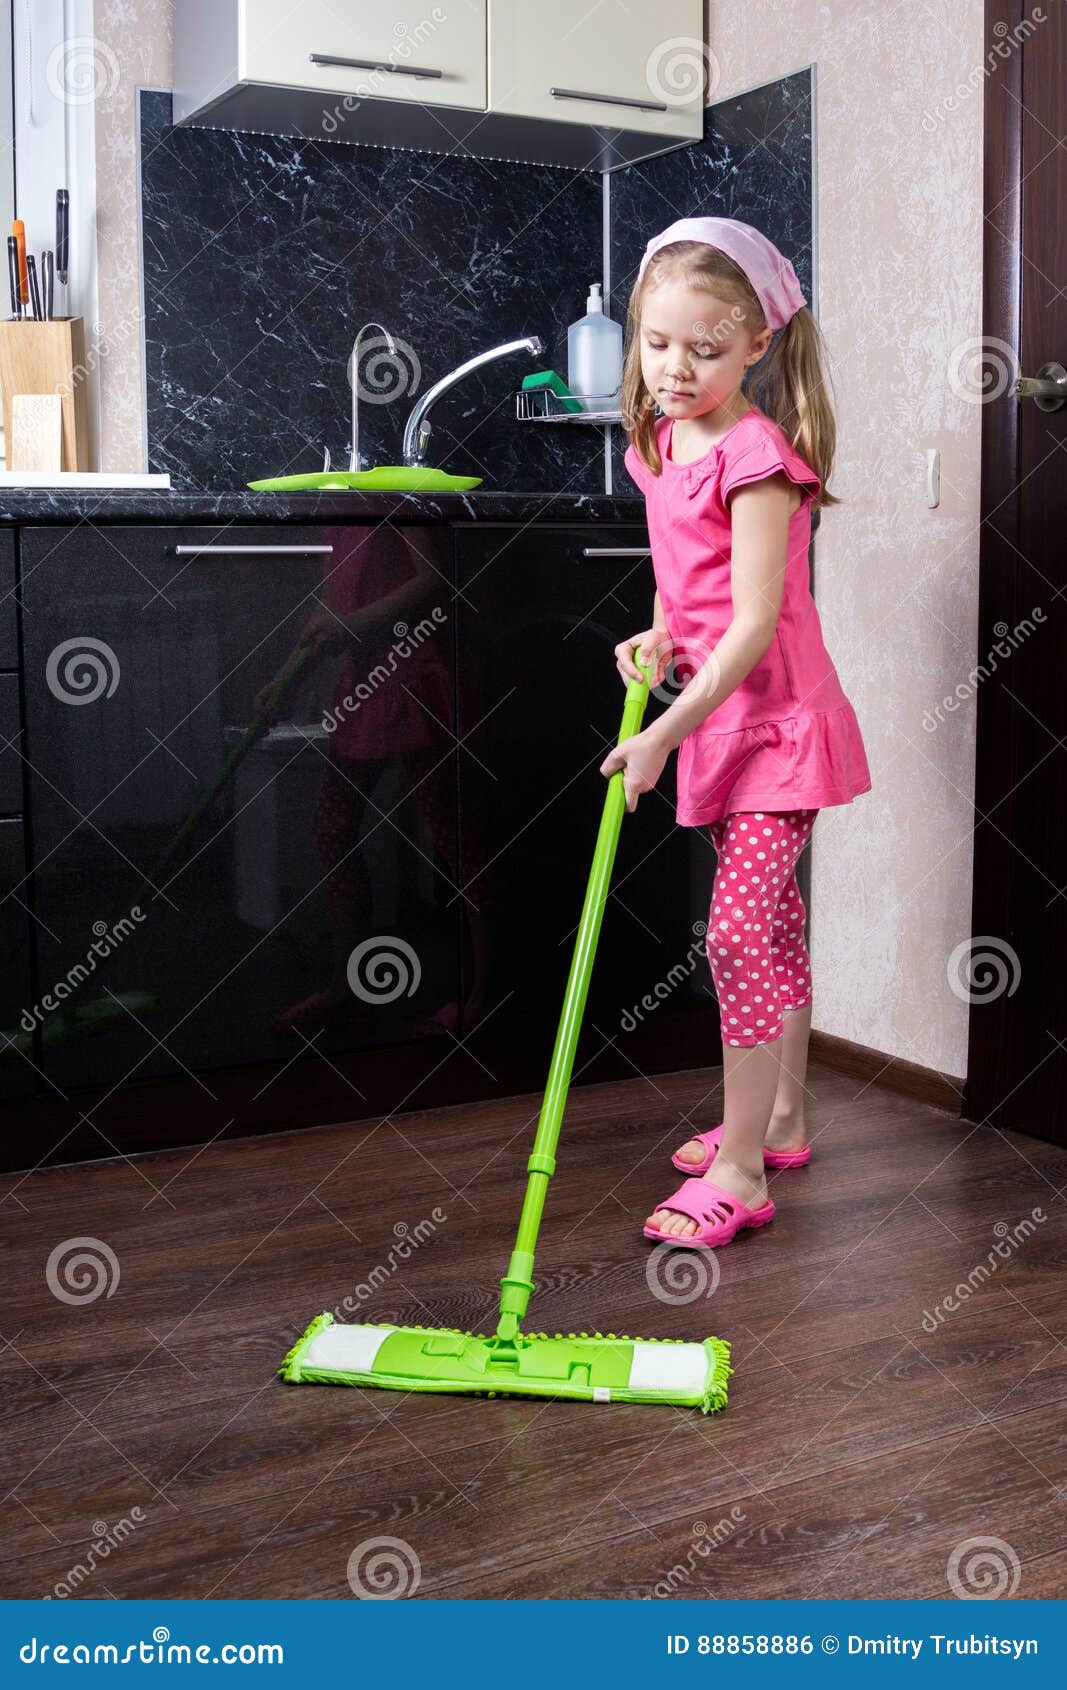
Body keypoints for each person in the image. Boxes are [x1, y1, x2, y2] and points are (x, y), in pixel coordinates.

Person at [599, 215, 871, 1250]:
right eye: (654, 342)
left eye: (703, 351)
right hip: (716, 711)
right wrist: (659, 635)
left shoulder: (755, 457)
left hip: (774, 726)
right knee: (773, 928)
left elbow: (756, 626)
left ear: (755, 345)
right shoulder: (661, 441)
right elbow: (698, 594)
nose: (672, 369)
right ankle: (786, 1115)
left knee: (732, 936)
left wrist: (662, 731)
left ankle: (742, 1167)